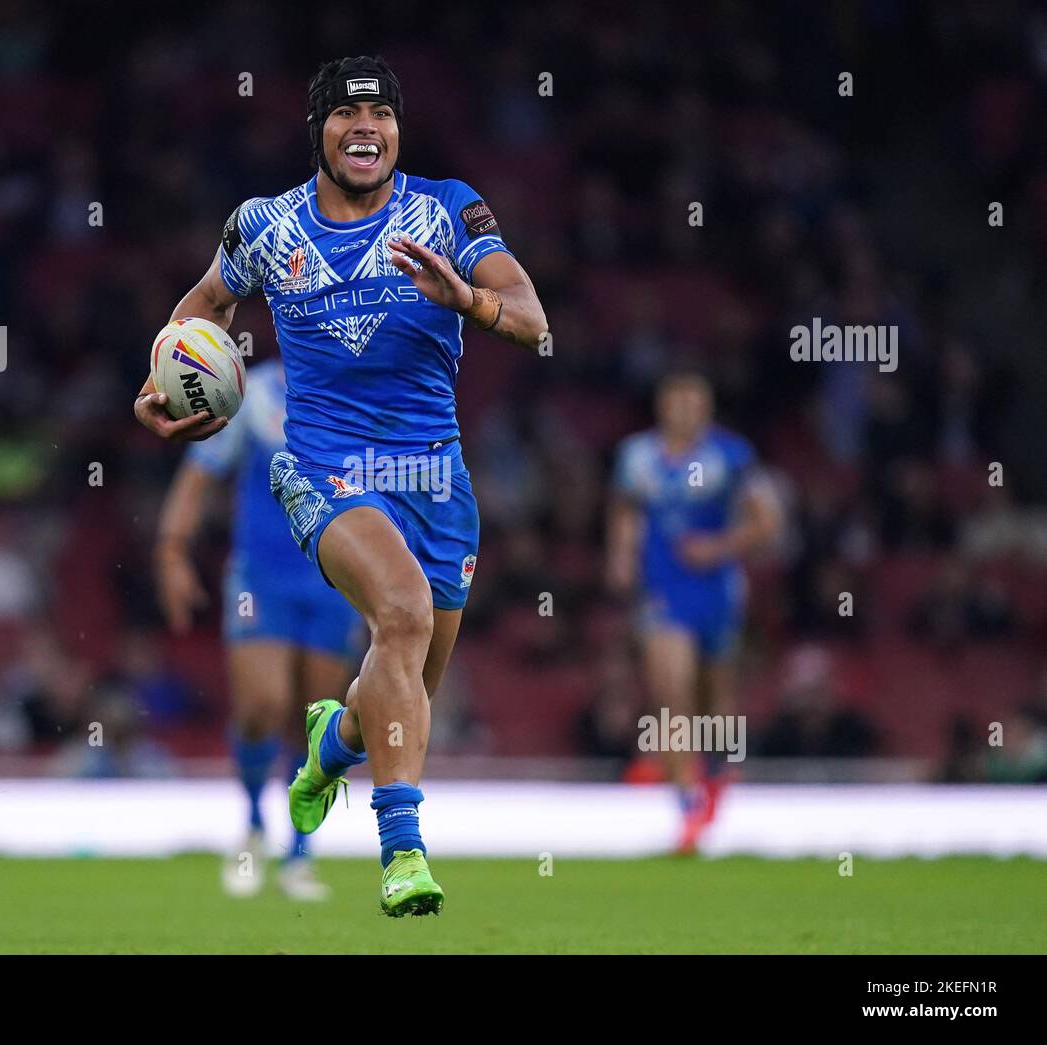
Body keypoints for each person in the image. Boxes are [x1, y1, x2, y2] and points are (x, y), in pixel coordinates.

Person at [134, 55, 547, 915]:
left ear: (399, 130)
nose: (368, 125)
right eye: (347, 112)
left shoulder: (447, 209)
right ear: (317, 130)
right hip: (324, 467)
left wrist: (466, 296)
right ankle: (402, 851)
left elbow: (533, 321)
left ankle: (333, 740)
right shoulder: (266, 227)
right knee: (399, 612)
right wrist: (163, 379)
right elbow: (204, 305)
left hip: (435, 479)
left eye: (383, 112)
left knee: (404, 692)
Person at [156, 359, 361, 901]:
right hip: (260, 578)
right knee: (260, 708)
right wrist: (173, 549)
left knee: (314, 722)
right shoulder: (251, 393)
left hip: (335, 579)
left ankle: (299, 851)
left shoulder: (363, 391)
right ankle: (251, 822)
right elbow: (201, 470)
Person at [606, 372, 779, 853]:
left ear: (707, 407)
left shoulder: (731, 456)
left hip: (716, 589)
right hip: (663, 589)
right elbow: (626, 510)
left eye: (693, 401)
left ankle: (717, 774)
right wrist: (621, 555)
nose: (683, 409)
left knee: (715, 700)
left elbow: (767, 521)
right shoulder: (636, 456)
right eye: (675, 400)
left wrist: (719, 546)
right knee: (671, 692)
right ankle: (686, 804)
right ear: (661, 405)